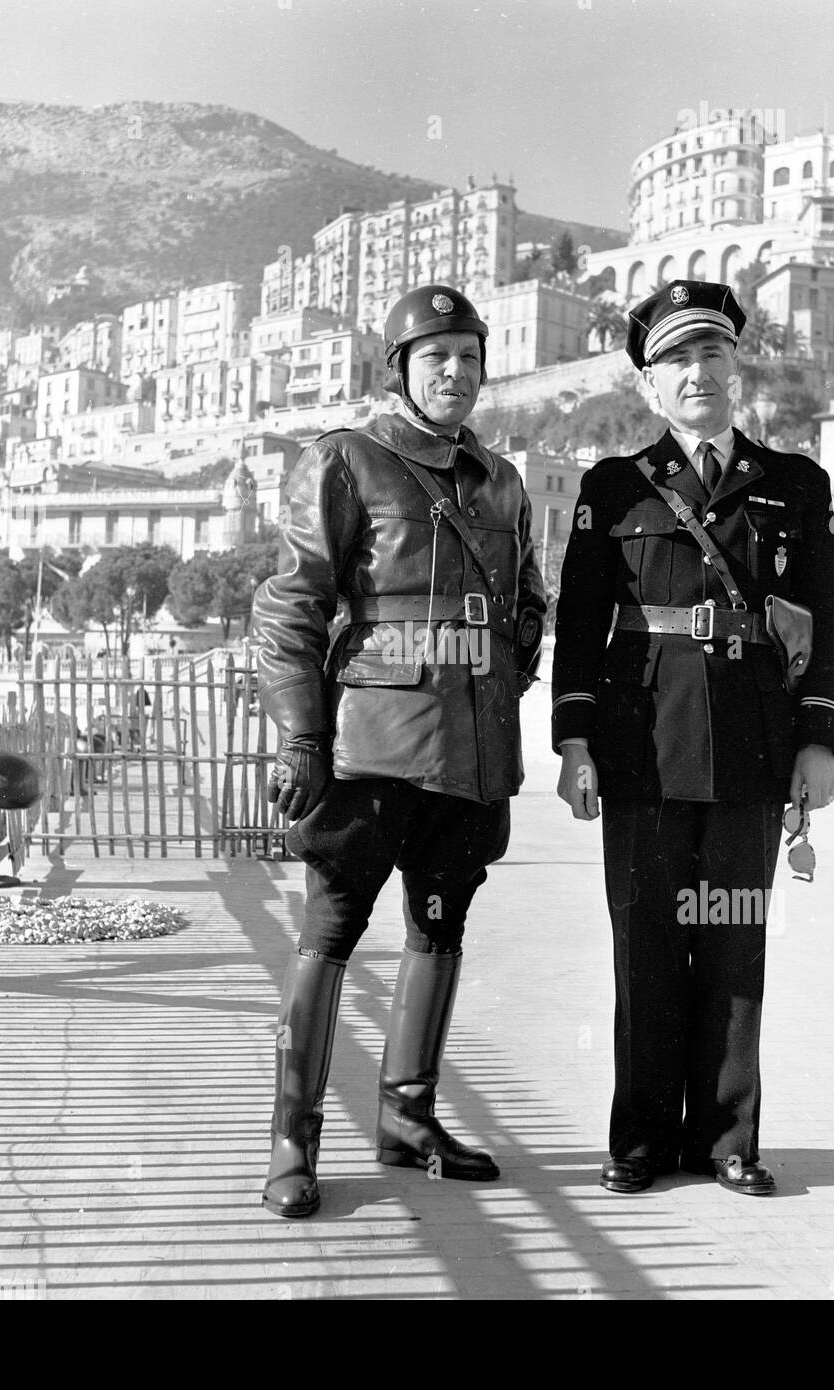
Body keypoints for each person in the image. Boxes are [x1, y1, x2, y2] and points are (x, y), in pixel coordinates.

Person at [252, 284, 548, 1219]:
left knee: (440, 927)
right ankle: (291, 1145)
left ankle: (408, 1119)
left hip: (469, 755)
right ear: (400, 371)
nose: (454, 372)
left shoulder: (500, 480)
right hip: (367, 750)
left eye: (467, 355)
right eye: (435, 358)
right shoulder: (346, 461)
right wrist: (302, 733)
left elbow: (527, 603)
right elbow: (289, 606)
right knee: (330, 933)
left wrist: (503, 680)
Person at [552, 280, 834, 1198]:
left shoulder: (795, 485)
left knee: (732, 948)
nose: (696, 373)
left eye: (710, 353)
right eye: (674, 360)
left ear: (735, 366)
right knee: (644, 950)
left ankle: (725, 1140)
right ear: (648, 385)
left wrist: (817, 743)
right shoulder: (612, 488)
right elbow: (580, 629)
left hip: (753, 751)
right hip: (642, 746)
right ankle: (639, 1140)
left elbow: (826, 624)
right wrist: (575, 743)